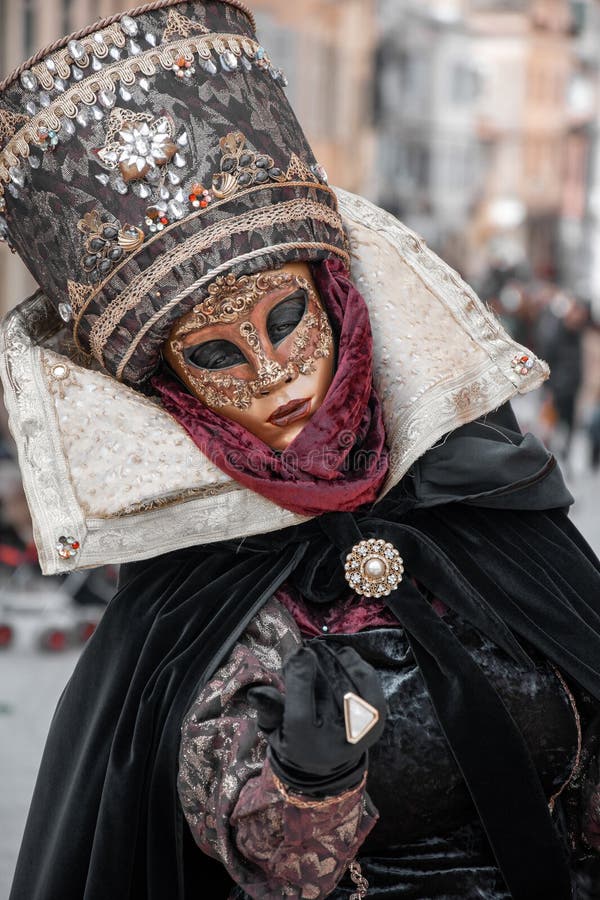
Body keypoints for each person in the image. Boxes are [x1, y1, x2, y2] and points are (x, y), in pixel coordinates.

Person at [1, 2, 600, 898]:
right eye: (216, 356)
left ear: (340, 309)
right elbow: (249, 842)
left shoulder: (483, 492)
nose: (276, 376)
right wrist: (305, 785)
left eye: (288, 322)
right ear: (173, 389)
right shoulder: (195, 592)